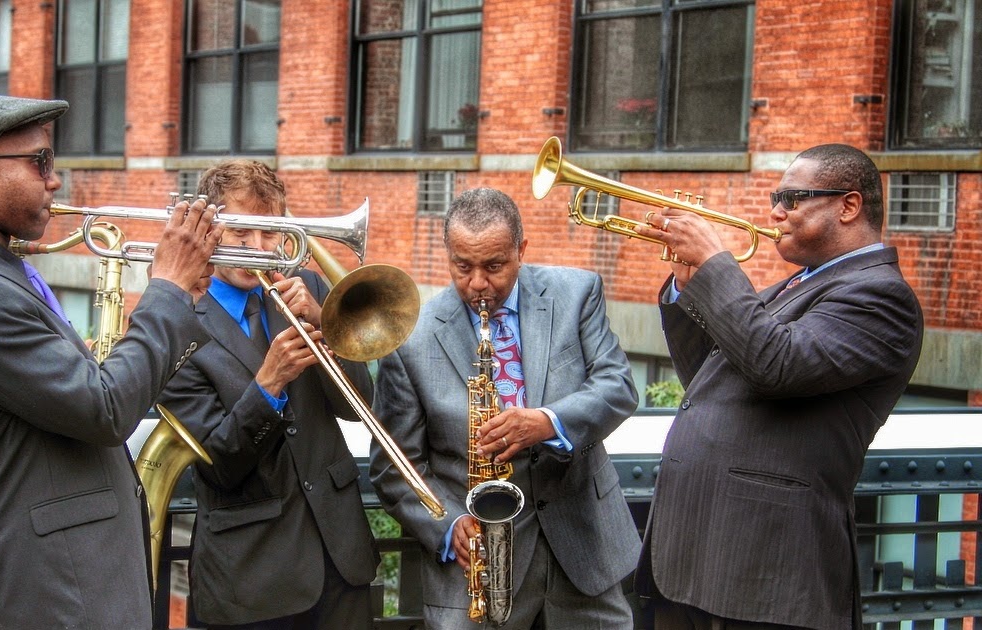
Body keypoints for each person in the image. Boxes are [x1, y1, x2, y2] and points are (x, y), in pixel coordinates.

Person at [0, 95, 222, 629]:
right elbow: (104, 409)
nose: (55, 181)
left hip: (74, 578)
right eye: (40, 162)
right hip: (55, 589)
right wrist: (166, 289)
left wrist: (181, 300)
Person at [631, 144, 924, 630]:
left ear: (848, 206)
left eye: (792, 198)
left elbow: (776, 365)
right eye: (776, 197)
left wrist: (717, 265)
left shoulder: (880, 295)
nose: (775, 212)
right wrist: (688, 284)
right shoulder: (788, 290)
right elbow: (707, 381)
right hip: (694, 558)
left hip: (767, 571)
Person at [370, 187, 642, 629]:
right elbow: (395, 466)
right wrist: (446, 523)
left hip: (584, 550)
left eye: (494, 266)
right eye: (463, 266)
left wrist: (546, 422)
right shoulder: (409, 340)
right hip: (476, 571)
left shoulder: (578, 292)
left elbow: (617, 387)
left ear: (521, 251)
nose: (478, 283)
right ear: (448, 255)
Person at [156, 159, 379, 630]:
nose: (258, 249)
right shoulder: (175, 321)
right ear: (209, 230)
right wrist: (269, 384)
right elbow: (217, 466)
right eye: (241, 234)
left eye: (270, 233)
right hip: (252, 578)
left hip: (340, 557)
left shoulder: (309, 288)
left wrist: (326, 323)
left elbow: (358, 403)